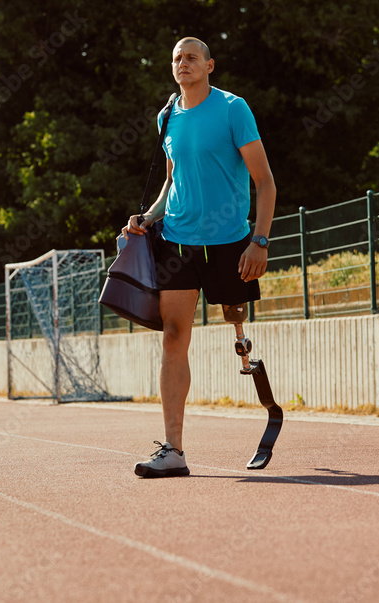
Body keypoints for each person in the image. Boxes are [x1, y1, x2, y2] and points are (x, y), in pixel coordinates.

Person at [122, 37, 276, 478]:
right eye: (175, 58)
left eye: (190, 57)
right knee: (173, 335)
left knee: (234, 314)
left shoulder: (232, 109)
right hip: (177, 242)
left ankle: (249, 358)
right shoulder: (167, 116)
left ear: (209, 65)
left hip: (230, 241)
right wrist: (149, 217)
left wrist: (259, 241)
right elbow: (173, 181)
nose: (182, 63)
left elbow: (265, 182)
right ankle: (174, 450)